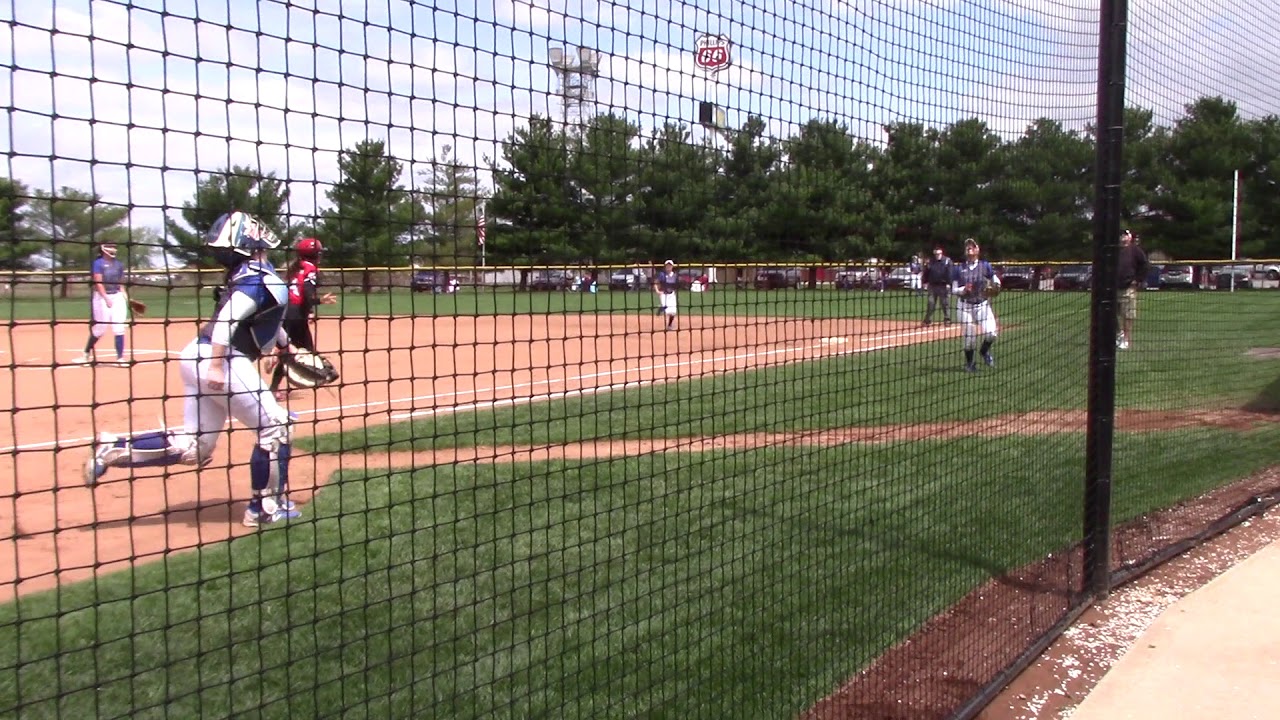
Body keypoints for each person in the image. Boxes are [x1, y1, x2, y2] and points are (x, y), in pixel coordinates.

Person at [81, 210, 303, 527]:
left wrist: (283, 344)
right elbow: (228, 321)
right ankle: (264, 508)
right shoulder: (259, 278)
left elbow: (262, 319)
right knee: (275, 425)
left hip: (196, 355)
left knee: (194, 446)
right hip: (221, 358)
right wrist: (216, 366)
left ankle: (113, 448)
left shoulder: (247, 275)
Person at [268, 237, 337, 400]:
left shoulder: (296, 267)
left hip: (287, 312)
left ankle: (318, 375)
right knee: (302, 351)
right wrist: (318, 301)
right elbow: (306, 293)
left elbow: (293, 291)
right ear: (315, 255)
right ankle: (322, 376)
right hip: (296, 315)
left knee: (299, 348)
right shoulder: (311, 269)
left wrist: (309, 311)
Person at [74, 242, 131, 366]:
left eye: (115, 247)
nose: (113, 249)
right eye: (111, 247)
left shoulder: (119, 264)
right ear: (103, 249)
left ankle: (120, 358)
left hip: (117, 296)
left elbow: (121, 285)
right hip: (101, 297)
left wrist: (127, 299)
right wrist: (106, 298)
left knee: (119, 327)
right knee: (100, 328)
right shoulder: (98, 263)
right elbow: (98, 283)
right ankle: (86, 354)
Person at [951, 237, 1001, 372]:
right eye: (967, 246)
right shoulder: (958, 268)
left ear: (978, 249)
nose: (969, 248)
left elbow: (994, 279)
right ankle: (970, 364)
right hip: (964, 306)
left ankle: (984, 351)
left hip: (982, 304)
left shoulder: (985, 265)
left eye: (972, 246)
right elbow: (954, 289)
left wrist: (997, 285)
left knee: (992, 333)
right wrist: (963, 290)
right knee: (970, 338)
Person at [1116, 228, 1149, 350]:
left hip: (1128, 289)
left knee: (1128, 315)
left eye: (1125, 235)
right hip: (1112, 288)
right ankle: (1119, 334)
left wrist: (1138, 280)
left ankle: (1126, 340)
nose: (1122, 238)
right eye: (1120, 235)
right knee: (1109, 314)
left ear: (1129, 237)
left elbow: (1144, 265)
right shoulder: (1113, 250)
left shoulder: (1135, 250)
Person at [922, 245, 954, 325]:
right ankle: (927, 320)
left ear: (941, 253)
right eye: (936, 254)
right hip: (932, 285)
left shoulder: (947, 261)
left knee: (944, 303)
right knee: (931, 303)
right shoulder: (931, 261)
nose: (937, 256)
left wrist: (949, 283)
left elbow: (950, 273)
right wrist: (925, 282)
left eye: (939, 254)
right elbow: (926, 272)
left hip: (943, 285)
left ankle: (947, 319)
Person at [653, 259, 679, 330]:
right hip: (664, 294)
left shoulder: (675, 275)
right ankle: (661, 308)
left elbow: (676, 285)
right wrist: (657, 291)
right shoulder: (662, 274)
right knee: (667, 309)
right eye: (667, 265)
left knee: (673, 312)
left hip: (671, 294)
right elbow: (656, 282)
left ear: (672, 266)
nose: (668, 267)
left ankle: (669, 325)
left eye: (670, 265)